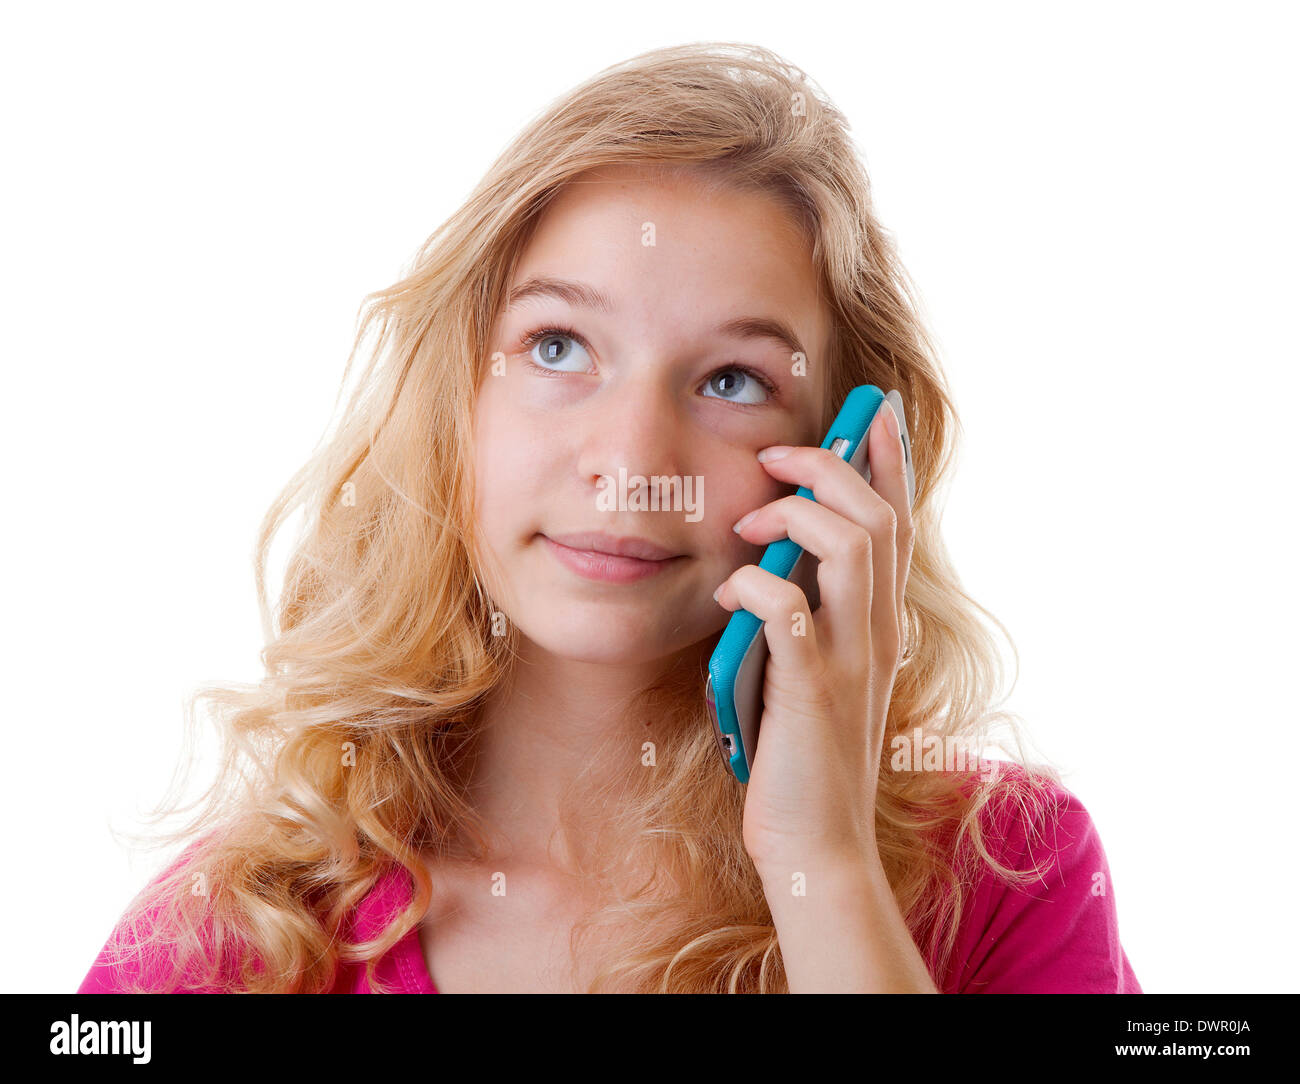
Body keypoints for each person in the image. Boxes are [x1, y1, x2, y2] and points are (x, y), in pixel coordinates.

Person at [78, 41, 1140, 994]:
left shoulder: (1008, 874)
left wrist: (822, 865)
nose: (631, 464)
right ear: (457, 397)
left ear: (846, 464)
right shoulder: (227, 942)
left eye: (731, 378)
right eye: (556, 347)